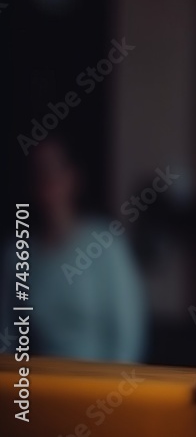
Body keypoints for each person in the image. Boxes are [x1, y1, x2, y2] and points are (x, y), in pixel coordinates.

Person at [1, 137, 148, 363]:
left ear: (73, 177)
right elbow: (8, 334)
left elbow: (129, 334)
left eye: (54, 169)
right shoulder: (17, 253)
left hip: (100, 386)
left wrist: (113, 393)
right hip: (39, 386)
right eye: (38, 172)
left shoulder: (106, 243)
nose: (47, 181)